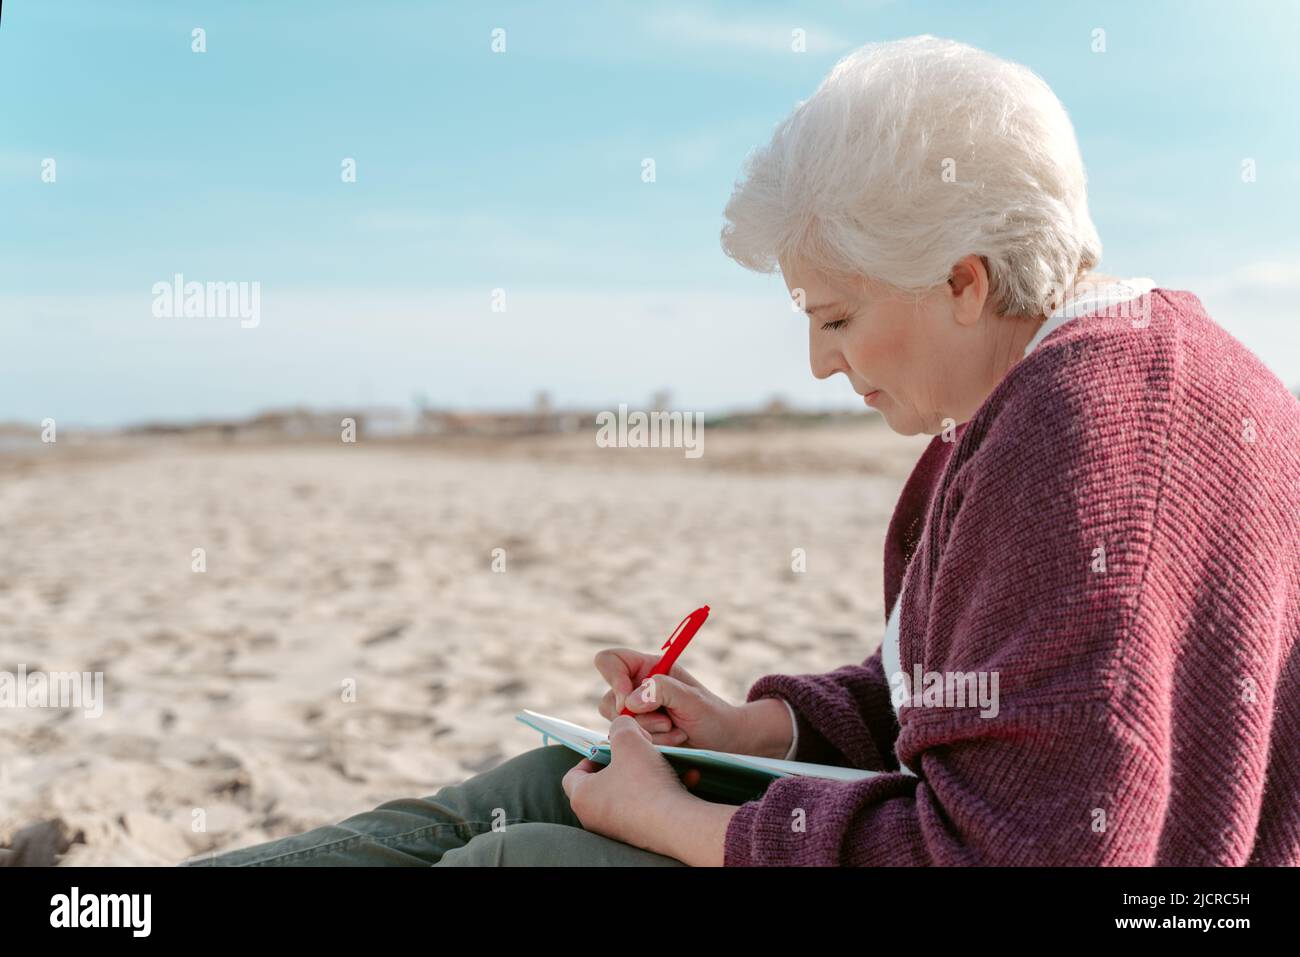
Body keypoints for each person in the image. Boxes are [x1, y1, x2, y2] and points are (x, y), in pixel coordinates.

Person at [183, 34, 1300, 867]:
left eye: (837, 317)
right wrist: (750, 729)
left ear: (962, 280)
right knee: (550, 779)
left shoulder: (1084, 442)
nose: (819, 363)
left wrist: (678, 823)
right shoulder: (1071, 378)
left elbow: (1028, 853)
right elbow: (975, 701)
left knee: (514, 860)